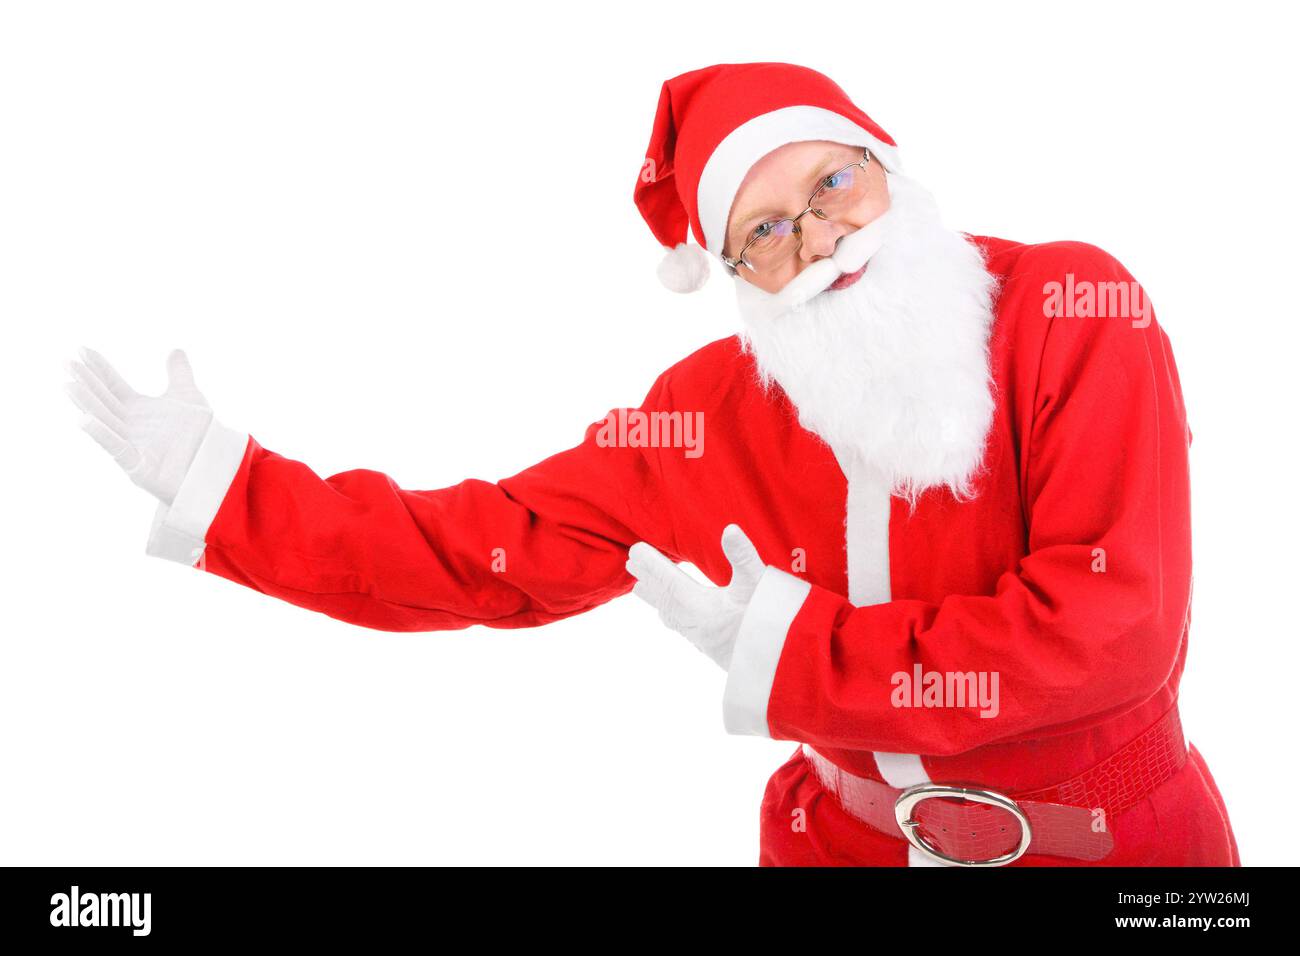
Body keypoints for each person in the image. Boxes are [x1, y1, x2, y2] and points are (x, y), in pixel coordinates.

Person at [65, 61, 1239, 867]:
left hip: (1125, 856)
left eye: (831, 182)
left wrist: (791, 652)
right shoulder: (708, 415)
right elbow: (490, 547)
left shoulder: (1075, 311)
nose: (821, 239)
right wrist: (227, 484)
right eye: (765, 231)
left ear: (885, 164)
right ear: (734, 276)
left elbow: (1112, 627)